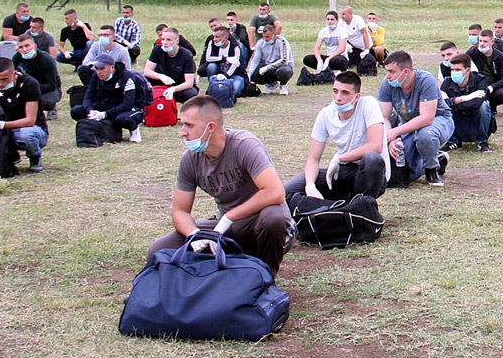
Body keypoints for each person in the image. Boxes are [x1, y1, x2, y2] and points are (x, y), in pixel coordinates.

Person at [146, 96, 293, 277]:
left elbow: (275, 192)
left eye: (189, 125)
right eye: (182, 125)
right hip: (227, 231)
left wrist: (228, 218)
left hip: (258, 226)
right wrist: (194, 235)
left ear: (211, 127)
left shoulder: (244, 145)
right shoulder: (190, 159)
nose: (182, 132)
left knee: (274, 218)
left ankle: (265, 276)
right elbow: (180, 211)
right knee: (158, 249)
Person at [284, 70, 389, 203]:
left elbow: (376, 146)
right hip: (342, 171)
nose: (338, 97)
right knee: (287, 190)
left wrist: (339, 158)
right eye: (335, 91)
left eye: (345, 93)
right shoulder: (325, 114)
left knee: (372, 159)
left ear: (357, 97)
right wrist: (310, 185)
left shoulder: (368, 104)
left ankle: (366, 207)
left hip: (367, 172)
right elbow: (313, 158)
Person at [380, 51, 454, 186]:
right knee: (402, 170)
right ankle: (439, 159)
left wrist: (396, 132)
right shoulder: (387, 84)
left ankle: (431, 169)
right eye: (387, 71)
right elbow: (383, 117)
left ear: (406, 71)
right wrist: (390, 138)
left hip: (438, 121)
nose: (388, 76)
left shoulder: (426, 80)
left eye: (391, 71)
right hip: (407, 124)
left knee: (424, 135)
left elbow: (426, 118)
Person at [0, 57, 47, 171]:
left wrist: (0, 125)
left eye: (4, 79)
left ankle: (35, 156)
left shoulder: (29, 84)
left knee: (25, 135)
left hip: (33, 129)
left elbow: (30, 120)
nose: (0, 83)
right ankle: (8, 155)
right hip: (7, 128)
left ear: (14, 73)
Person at [74, 52, 144, 143]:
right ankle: (102, 127)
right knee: (76, 111)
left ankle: (134, 130)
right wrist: (91, 111)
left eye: (102, 68)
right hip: (109, 105)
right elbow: (88, 97)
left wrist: (105, 114)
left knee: (123, 119)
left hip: (129, 108)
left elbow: (128, 103)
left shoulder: (126, 76)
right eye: (97, 69)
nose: (99, 72)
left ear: (112, 67)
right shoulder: (96, 76)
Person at [441, 53, 493, 152]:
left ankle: (482, 142)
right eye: (452, 70)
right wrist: (465, 98)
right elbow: (442, 103)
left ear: (468, 70)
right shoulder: (447, 82)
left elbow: (477, 103)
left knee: (483, 106)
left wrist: (454, 104)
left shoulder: (480, 80)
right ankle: (453, 141)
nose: (454, 73)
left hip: (475, 120)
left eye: (457, 70)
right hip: (457, 122)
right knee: (444, 110)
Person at [142, 27, 199, 103]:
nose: (165, 43)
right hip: (163, 83)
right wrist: (161, 76)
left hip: (180, 86)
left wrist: (173, 89)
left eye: (168, 40)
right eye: (162, 39)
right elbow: (147, 71)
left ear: (177, 41)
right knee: (143, 81)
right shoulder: (157, 49)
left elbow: (189, 83)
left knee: (191, 93)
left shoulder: (186, 55)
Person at [12, 34, 61, 119]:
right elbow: (10, 70)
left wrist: (32, 87)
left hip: (50, 88)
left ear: (34, 46)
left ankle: (52, 107)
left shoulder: (46, 59)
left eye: (27, 46)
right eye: (21, 47)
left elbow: (51, 85)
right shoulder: (18, 56)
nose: (24, 50)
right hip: (32, 84)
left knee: (43, 102)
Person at [467, 29, 503, 111]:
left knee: (502, 94)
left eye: (485, 41)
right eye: (480, 41)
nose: (482, 44)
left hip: (493, 84)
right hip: (476, 82)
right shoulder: (473, 52)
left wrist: (492, 87)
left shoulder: (500, 56)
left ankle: (492, 106)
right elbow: (462, 63)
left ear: (492, 42)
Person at [200, 25, 248, 97]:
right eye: (214, 36)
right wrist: (225, 59)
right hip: (217, 73)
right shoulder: (211, 43)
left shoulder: (236, 47)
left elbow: (236, 64)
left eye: (217, 37)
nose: (214, 39)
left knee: (236, 87)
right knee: (211, 66)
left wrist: (225, 75)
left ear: (225, 38)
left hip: (233, 75)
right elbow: (208, 58)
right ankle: (212, 87)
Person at [247, 23, 293, 95]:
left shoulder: (282, 41)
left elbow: (284, 60)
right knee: (253, 73)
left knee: (284, 71)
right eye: (264, 37)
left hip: (282, 66)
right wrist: (248, 74)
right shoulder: (261, 42)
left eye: (267, 37)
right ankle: (271, 83)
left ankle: (283, 85)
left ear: (274, 35)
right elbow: (255, 59)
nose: (265, 39)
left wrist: (267, 67)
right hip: (268, 66)